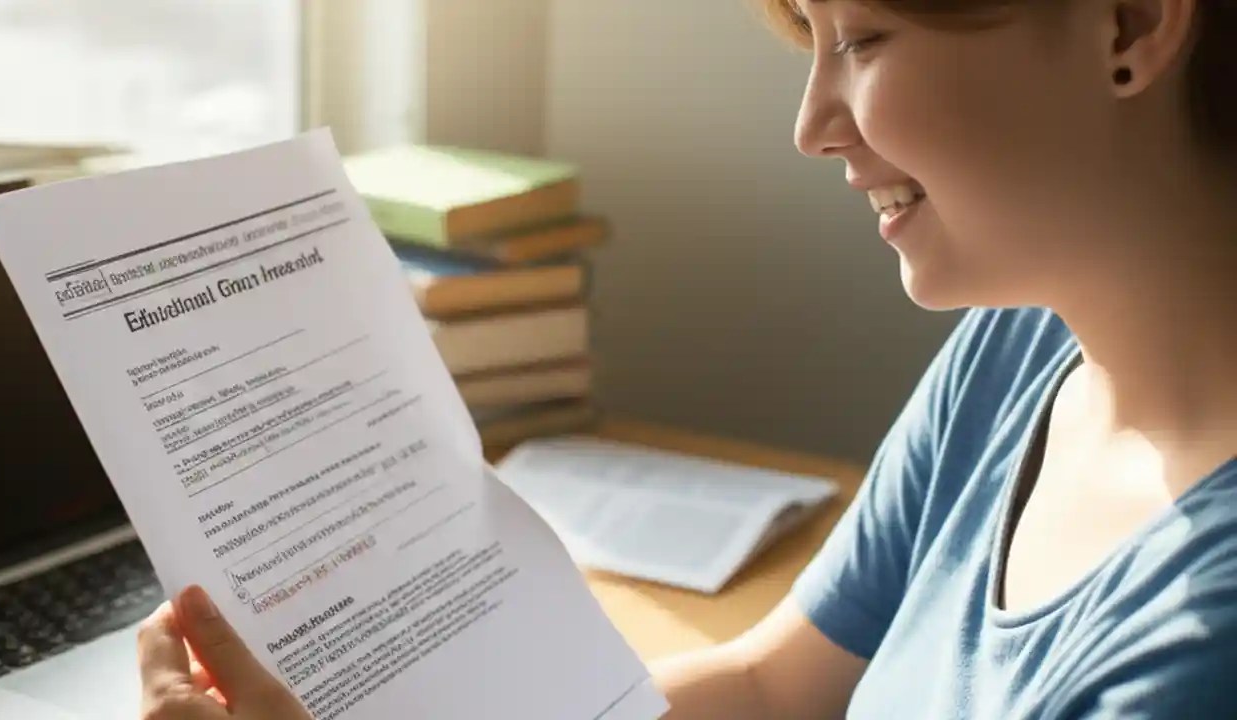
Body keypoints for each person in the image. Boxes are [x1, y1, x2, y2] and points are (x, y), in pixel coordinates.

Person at [137, 0, 1237, 716]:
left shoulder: (1203, 636)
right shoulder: (1016, 351)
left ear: (1128, 25)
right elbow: (768, 689)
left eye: (858, 40)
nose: (810, 123)